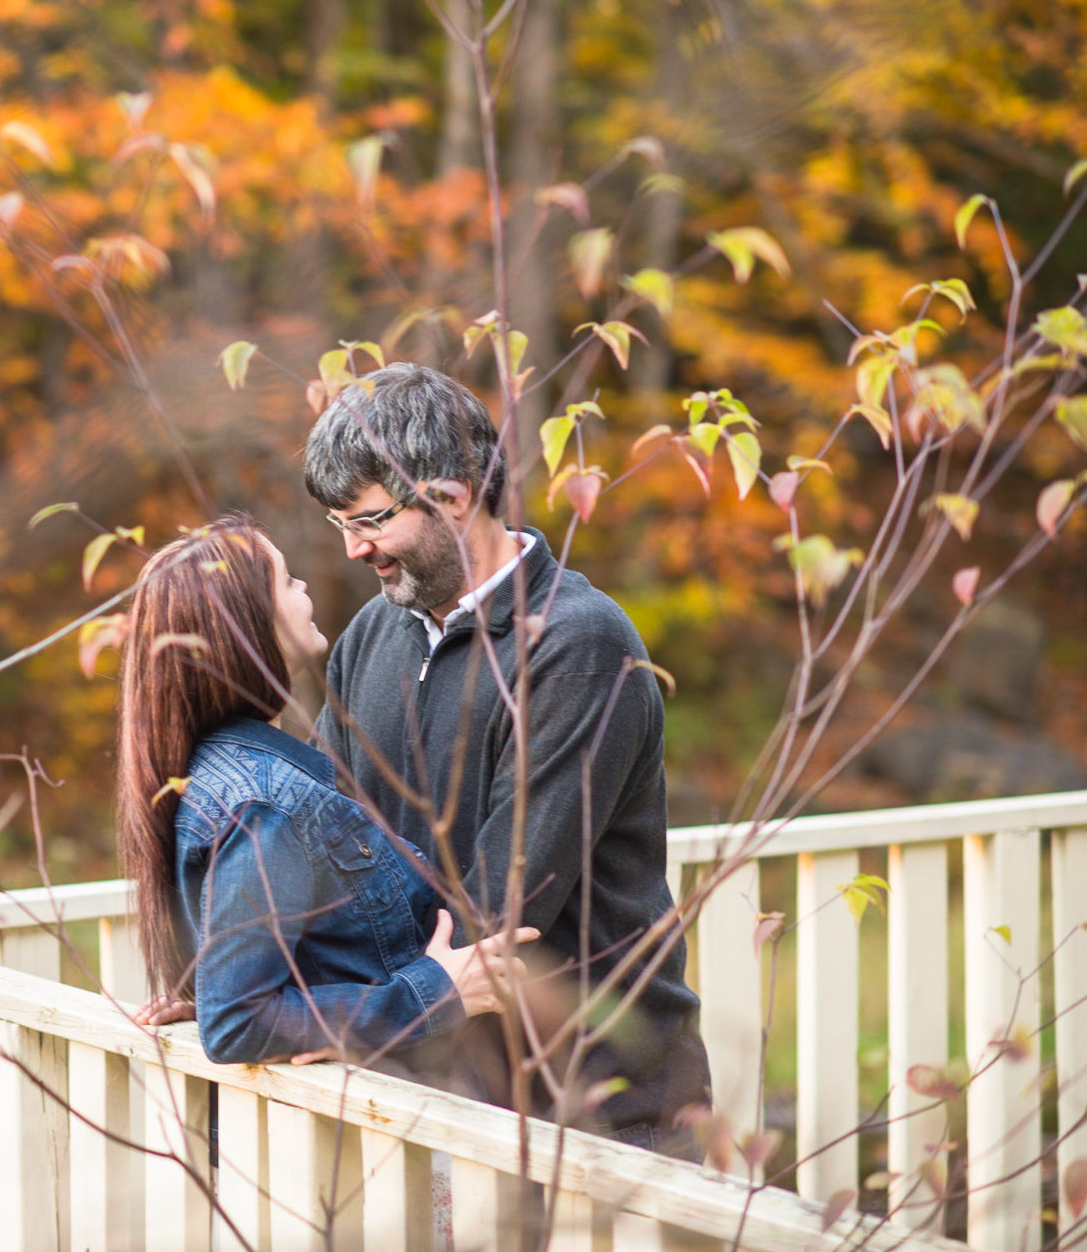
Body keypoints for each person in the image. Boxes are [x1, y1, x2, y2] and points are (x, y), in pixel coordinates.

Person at [303, 361, 710, 1152]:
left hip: (597, 1107)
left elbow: (503, 905)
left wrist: (356, 1011)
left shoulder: (576, 645)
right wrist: (250, 980)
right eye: (338, 524)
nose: (353, 549)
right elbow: (317, 835)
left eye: (371, 520)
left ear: (454, 497)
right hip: (440, 1090)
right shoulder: (372, 635)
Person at [115, 512, 536, 1069]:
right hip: (364, 1108)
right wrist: (432, 994)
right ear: (248, 624)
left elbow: (278, 967)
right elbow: (238, 1021)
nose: (305, 586)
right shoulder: (261, 803)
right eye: (288, 580)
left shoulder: (215, 771)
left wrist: (296, 1013)